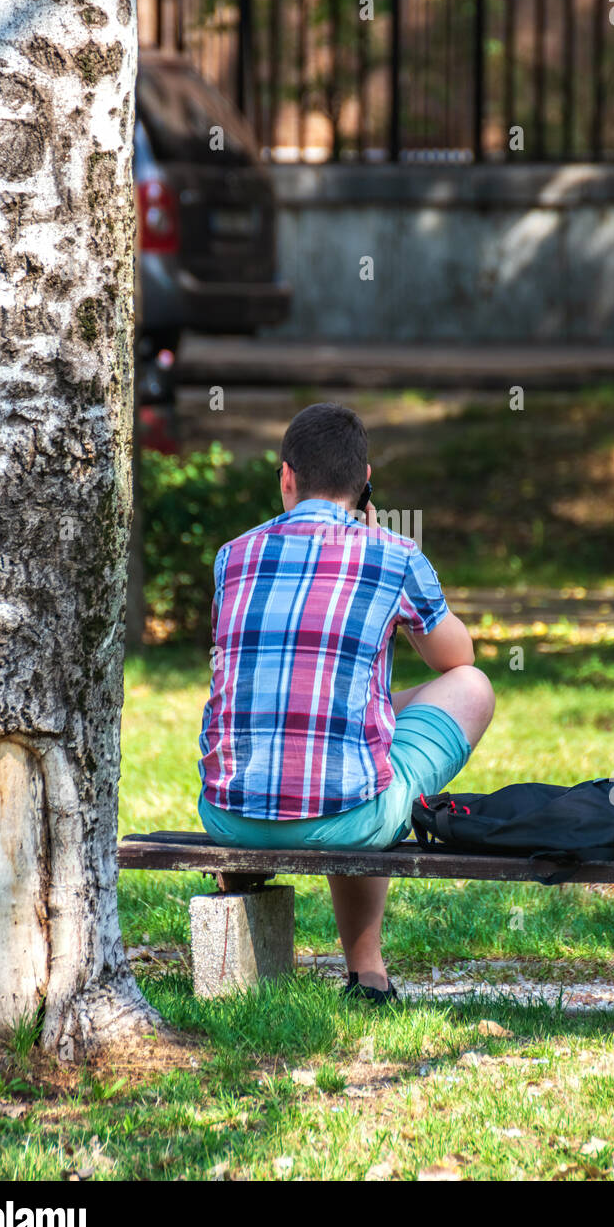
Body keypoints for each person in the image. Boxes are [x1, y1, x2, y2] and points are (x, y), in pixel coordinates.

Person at [197, 402, 495, 1003]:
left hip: (227, 813)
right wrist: (380, 541)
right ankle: (367, 971)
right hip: (347, 819)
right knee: (472, 689)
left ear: (286, 477)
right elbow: (455, 657)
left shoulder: (233, 556)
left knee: (339, 722)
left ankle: (245, 863)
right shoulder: (394, 554)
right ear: (365, 483)